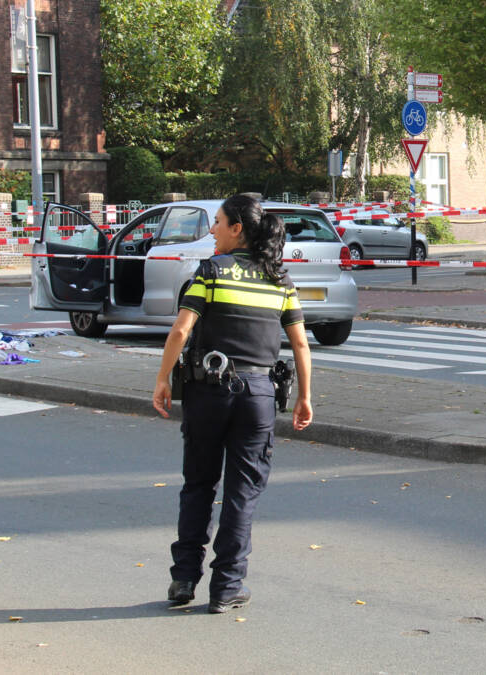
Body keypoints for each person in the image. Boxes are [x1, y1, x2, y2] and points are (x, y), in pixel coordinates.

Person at [152, 194, 313, 613]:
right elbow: (299, 343)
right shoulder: (281, 280)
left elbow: (180, 332)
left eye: (218, 222)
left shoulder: (210, 272)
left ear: (237, 228)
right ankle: (227, 588)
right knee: (242, 493)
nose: (212, 229)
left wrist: (161, 379)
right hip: (258, 395)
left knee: (198, 485)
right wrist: (305, 397)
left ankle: (184, 579)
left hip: (208, 391)